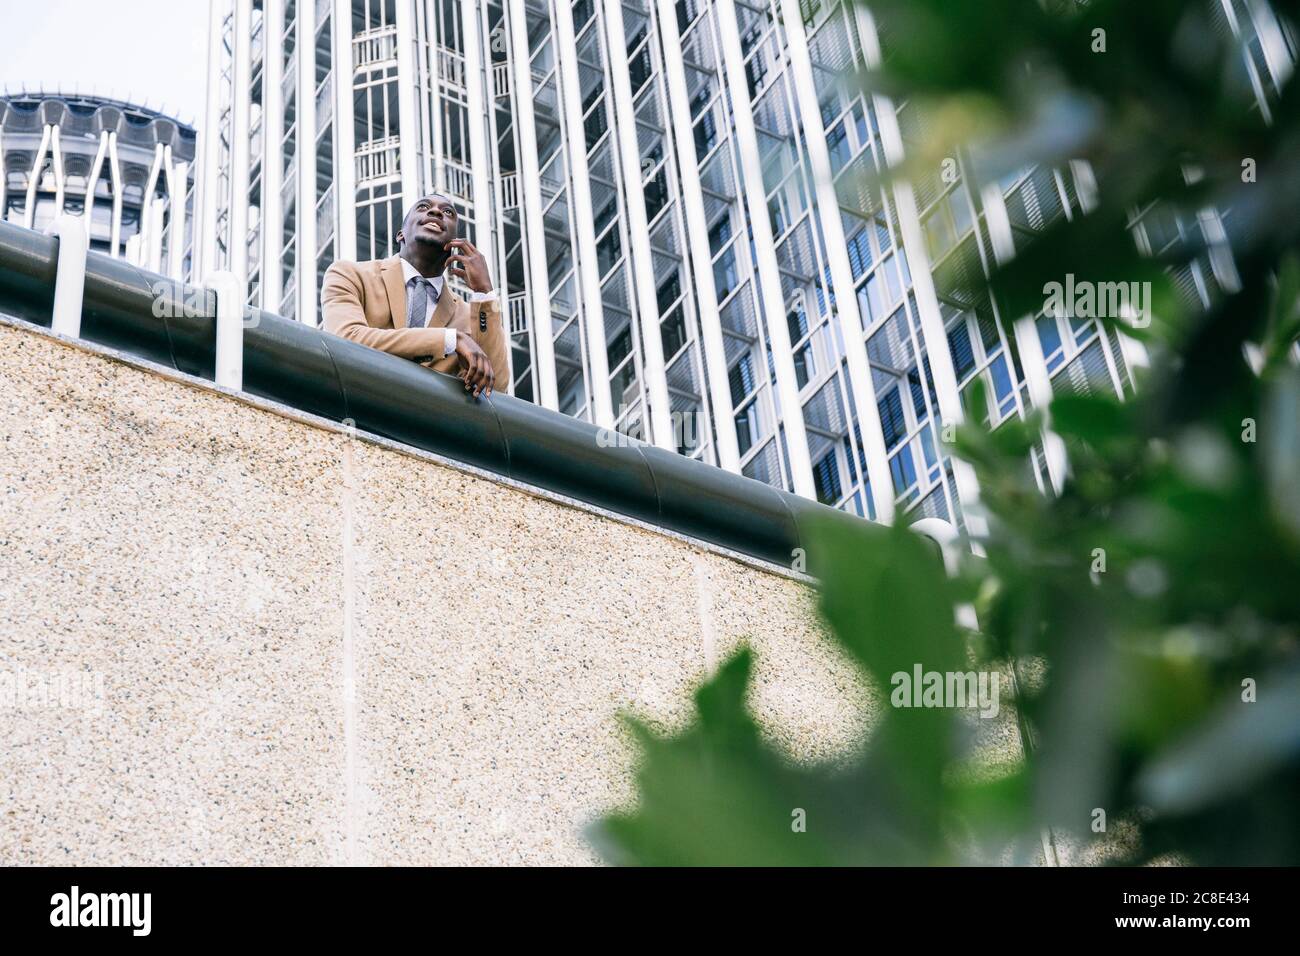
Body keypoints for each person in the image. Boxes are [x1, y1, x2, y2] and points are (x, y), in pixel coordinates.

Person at [320, 193, 506, 398]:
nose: (435, 211)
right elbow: (346, 340)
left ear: (454, 243)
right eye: (423, 207)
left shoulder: (467, 318)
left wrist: (485, 294)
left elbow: (494, 391)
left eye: (447, 212)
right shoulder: (350, 275)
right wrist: (449, 340)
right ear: (401, 234)